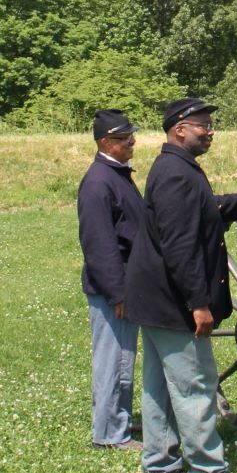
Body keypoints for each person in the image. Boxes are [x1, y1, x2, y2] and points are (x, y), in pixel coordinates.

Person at [126, 97, 237, 473]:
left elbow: (202, 210)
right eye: (202, 126)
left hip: (152, 299)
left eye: (210, 125)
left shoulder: (175, 168)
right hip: (173, 301)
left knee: (158, 386)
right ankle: (209, 471)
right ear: (179, 129)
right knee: (195, 384)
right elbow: (180, 247)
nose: (210, 132)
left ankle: (159, 462)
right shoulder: (176, 174)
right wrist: (198, 304)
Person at [76, 108, 146, 451]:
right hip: (112, 290)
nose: (132, 141)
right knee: (113, 362)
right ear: (106, 143)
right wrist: (118, 294)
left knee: (123, 359)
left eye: (131, 135)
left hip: (125, 285)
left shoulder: (117, 174)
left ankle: (118, 421)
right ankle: (108, 434)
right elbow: (99, 246)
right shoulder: (98, 182)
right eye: (124, 138)